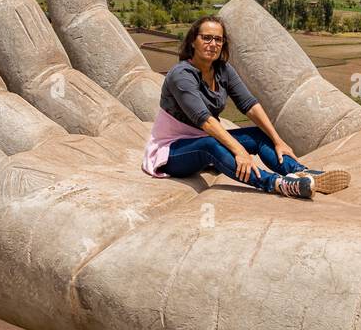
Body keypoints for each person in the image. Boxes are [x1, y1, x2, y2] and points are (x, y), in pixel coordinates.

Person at [142, 15, 350, 199]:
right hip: (172, 150)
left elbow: (249, 105)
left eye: (218, 39)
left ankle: (301, 172)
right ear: (192, 42)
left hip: (203, 139)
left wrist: (278, 141)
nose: (212, 44)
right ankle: (279, 184)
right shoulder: (182, 75)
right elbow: (204, 120)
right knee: (211, 146)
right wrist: (239, 150)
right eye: (206, 38)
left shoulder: (223, 70)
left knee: (259, 136)